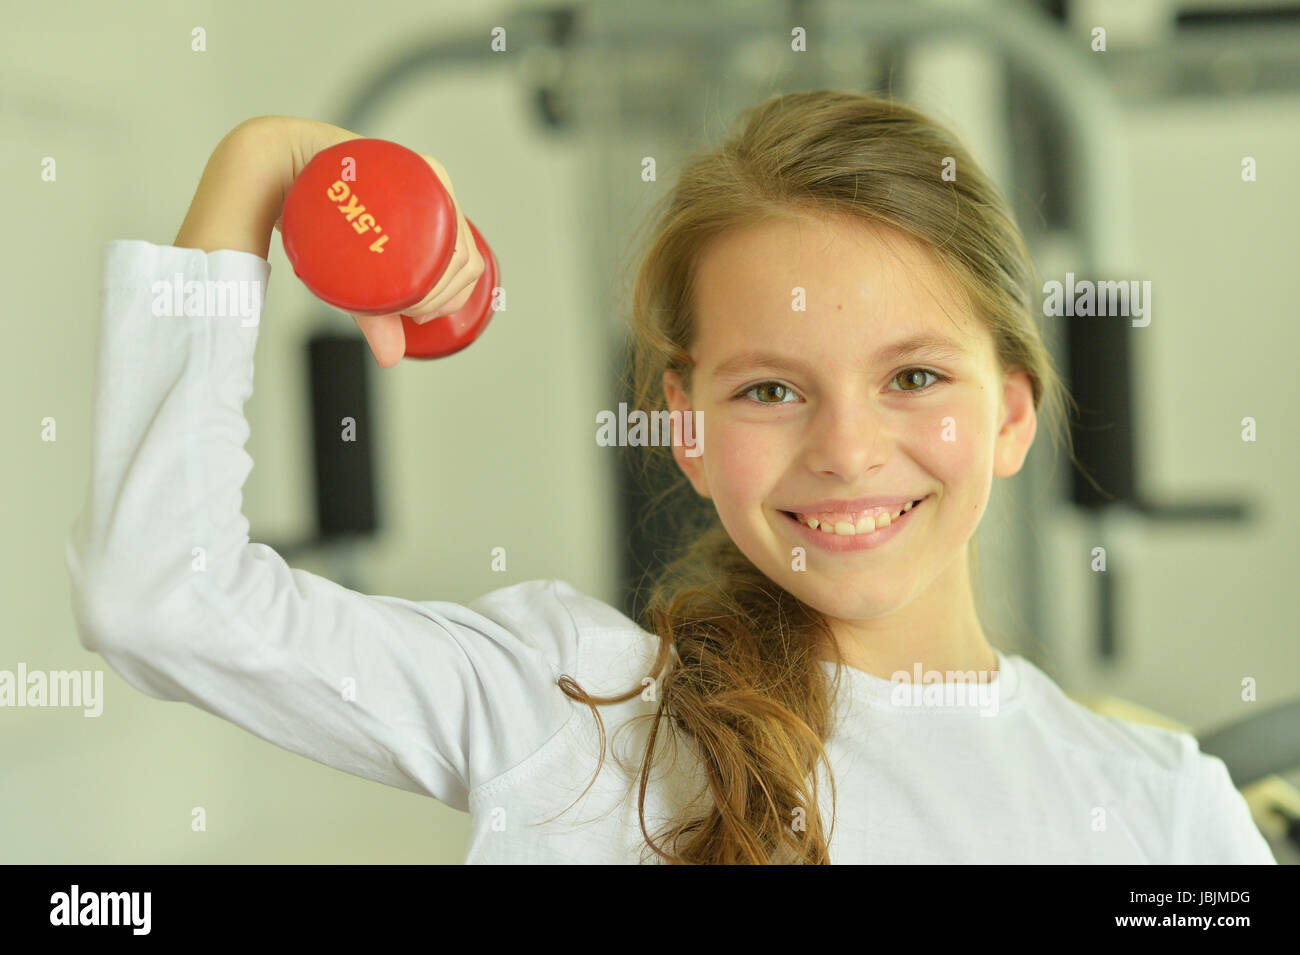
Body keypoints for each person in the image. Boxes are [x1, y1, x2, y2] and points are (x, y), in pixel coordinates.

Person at [65, 91, 1276, 864]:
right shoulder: (581, 712)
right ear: (684, 431)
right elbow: (160, 596)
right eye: (768, 389)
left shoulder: (1163, 807)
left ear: (1010, 411)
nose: (847, 449)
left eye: (913, 378)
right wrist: (264, 167)